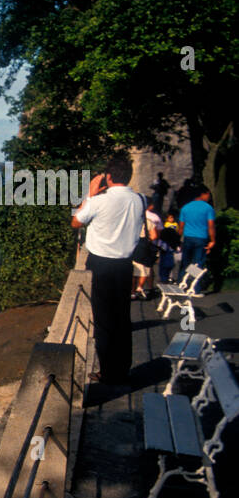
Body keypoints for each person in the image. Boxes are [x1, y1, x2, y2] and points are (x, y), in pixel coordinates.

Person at [71, 151, 144, 384]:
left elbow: (76, 221)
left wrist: (90, 195)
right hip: (124, 265)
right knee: (122, 318)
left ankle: (107, 371)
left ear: (109, 177)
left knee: (103, 320)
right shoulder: (140, 200)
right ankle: (122, 369)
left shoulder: (99, 201)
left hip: (101, 264)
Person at [177, 184, 216, 276]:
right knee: (197, 263)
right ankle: (193, 284)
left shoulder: (185, 208)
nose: (209, 197)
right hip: (201, 238)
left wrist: (178, 241)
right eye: (208, 195)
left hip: (187, 238)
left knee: (186, 262)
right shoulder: (208, 208)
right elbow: (211, 226)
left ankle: (182, 282)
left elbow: (181, 227)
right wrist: (212, 240)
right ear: (203, 194)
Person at [133, 197, 164, 299]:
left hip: (132, 246)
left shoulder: (132, 218)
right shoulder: (149, 220)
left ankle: (132, 291)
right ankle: (139, 288)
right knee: (144, 270)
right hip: (144, 246)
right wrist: (149, 239)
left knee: (133, 271)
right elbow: (155, 235)